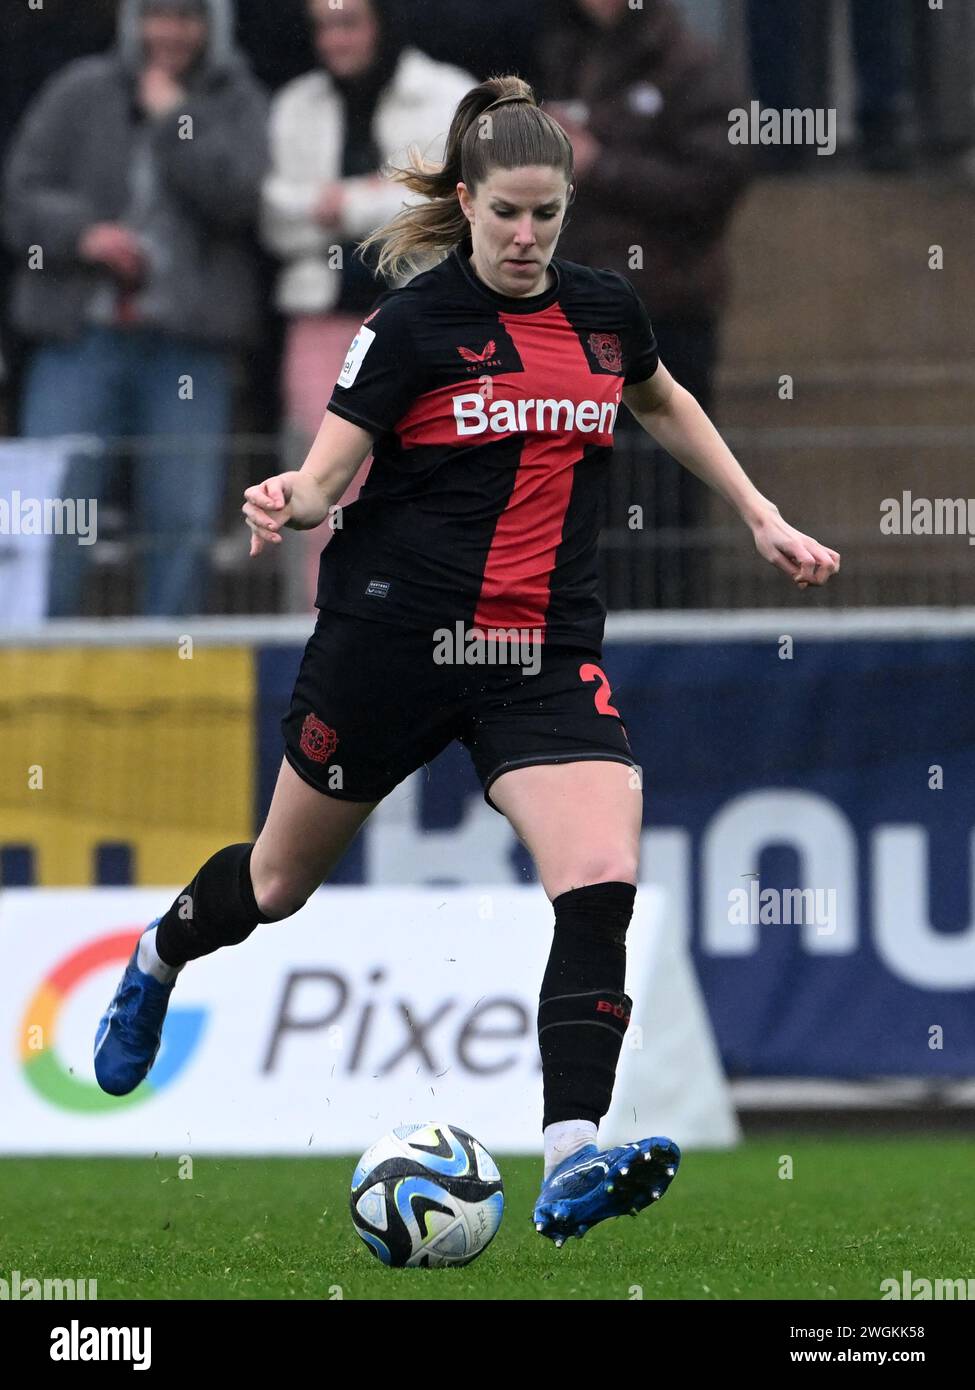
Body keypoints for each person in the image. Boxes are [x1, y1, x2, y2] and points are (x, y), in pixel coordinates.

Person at [93, 75, 840, 1246]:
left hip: (538, 654)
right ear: (466, 200)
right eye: (508, 215)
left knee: (600, 881)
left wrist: (757, 510)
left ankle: (573, 1156)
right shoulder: (407, 330)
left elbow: (660, 397)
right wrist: (288, 497)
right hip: (390, 649)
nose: (530, 238)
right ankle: (157, 952)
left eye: (549, 214)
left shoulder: (602, 313)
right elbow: (328, 477)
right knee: (278, 886)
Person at [2, 0, 267, 617]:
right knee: (55, 517)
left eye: (187, 17)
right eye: (157, 15)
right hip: (78, 339)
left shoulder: (239, 101)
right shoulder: (79, 89)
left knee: (184, 522)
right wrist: (82, 235)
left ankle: (170, 688)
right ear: (132, 21)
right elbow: (20, 197)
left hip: (188, 350)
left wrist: (178, 119)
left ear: (213, 26)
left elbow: (243, 200)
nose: (170, 32)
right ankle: (38, 682)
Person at [260, 0, 474, 608]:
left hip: (422, 322)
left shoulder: (447, 94)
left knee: (435, 473)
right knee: (317, 483)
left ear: (382, 25)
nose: (336, 39)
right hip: (322, 323)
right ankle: (323, 629)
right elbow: (276, 216)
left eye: (349, 22)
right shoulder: (294, 104)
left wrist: (340, 206)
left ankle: (432, 624)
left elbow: (439, 209)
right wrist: (379, 196)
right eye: (324, 26)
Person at [540, 0, 751, 606]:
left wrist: (602, 166)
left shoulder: (690, 65)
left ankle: (668, 635)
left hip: (666, 315)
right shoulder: (557, 51)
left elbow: (716, 183)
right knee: (580, 495)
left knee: (663, 503)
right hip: (569, 321)